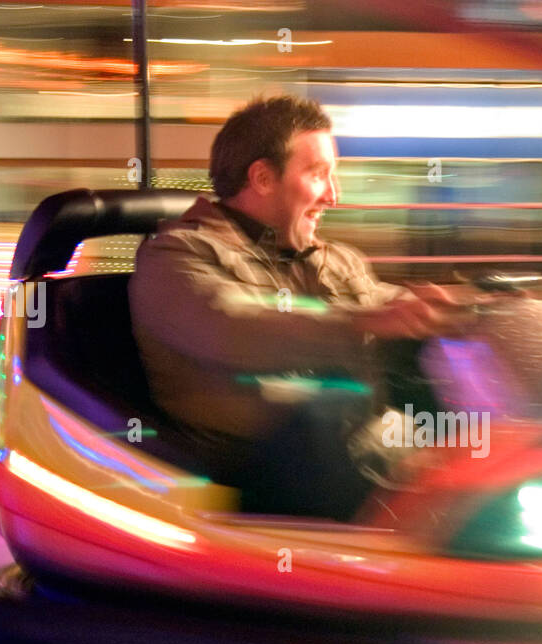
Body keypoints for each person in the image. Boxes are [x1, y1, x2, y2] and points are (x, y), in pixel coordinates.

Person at [129, 95, 455, 519]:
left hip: (358, 446)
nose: (333, 195)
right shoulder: (175, 256)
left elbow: (380, 300)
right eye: (318, 175)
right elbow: (236, 327)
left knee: (448, 398)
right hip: (260, 469)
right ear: (263, 178)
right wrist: (362, 323)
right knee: (328, 415)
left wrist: (456, 311)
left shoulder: (330, 258)